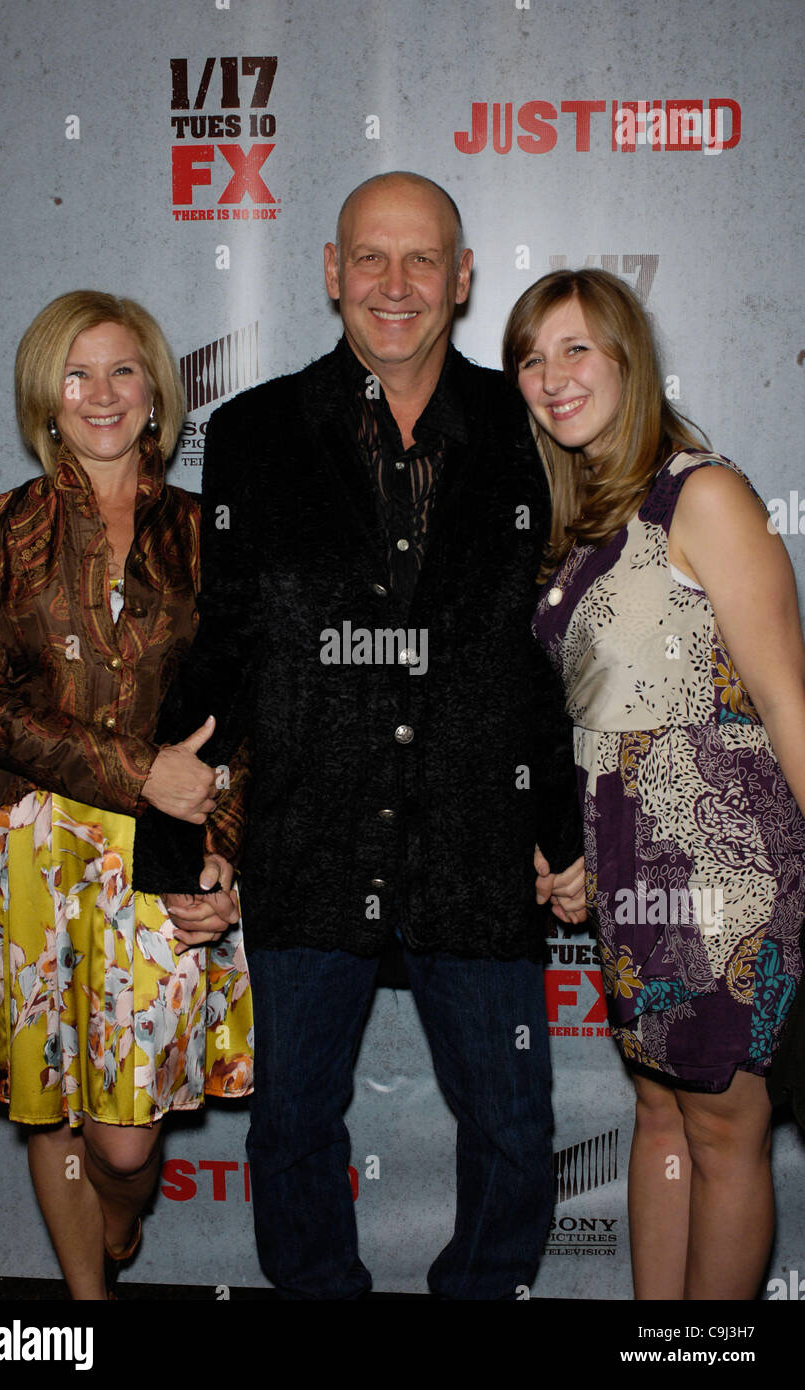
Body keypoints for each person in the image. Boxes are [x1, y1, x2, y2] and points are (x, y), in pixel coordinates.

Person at [135, 171, 585, 1300]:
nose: (396, 285)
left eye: (422, 258)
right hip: (311, 834)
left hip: (473, 841)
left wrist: (558, 827)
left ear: (462, 277)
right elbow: (227, 640)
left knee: (516, 1137)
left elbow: (538, 652)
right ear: (331, 273)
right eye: (369, 259)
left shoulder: (525, 432)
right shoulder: (248, 434)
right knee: (290, 1131)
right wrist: (177, 839)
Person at [0, 290, 253, 1300]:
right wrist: (137, 770)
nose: (101, 393)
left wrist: (225, 847)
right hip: (36, 850)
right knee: (52, 1104)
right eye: (77, 373)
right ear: (46, 395)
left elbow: (249, 712)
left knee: (121, 1145)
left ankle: (117, 1226)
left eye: (122, 370)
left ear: (156, 392)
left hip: (165, 848)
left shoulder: (211, 533)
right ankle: (87, 1306)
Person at [504, 267, 805, 1301]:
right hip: (630, 852)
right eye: (530, 358)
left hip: (724, 867)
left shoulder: (701, 494)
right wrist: (582, 846)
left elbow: (785, 705)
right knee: (658, 1109)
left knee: (723, 1121)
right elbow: (590, 717)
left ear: (628, 357)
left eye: (574, 348)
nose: (550, 376)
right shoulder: (586, 520)